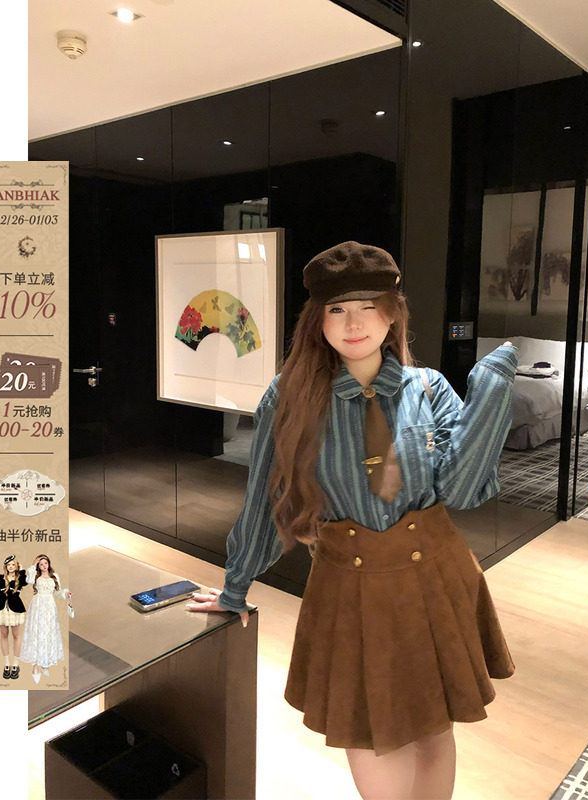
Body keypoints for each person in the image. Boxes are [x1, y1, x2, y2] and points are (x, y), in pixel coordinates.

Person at [187, 241, 518, 799]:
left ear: (393, 313)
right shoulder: (289, 397)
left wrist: (491, 389)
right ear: (318, 321)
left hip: (436, 576)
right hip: (349, 583)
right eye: (337, 309)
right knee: (370, 729)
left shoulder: (428, 387)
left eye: (369, 306)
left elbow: (462, 490)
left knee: (434, 724)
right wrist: (235, 588)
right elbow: (265, 497)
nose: (354, 323)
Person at [19, 553, 71, 684]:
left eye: (45, 563)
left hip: (50, 607)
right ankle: (35, 666)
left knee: (48, 633)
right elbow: (29, 580)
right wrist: (33, 564)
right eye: (41, 564)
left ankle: (45, 664)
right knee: (38, 633)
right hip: (38, 606)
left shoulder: (55, 576)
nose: (43, 566)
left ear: (49, 563)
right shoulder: (35, 576)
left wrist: (66, 594)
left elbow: (57, 592)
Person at [0, 555, 28, 680]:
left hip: (15, 610)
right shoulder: (1, 577)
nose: (11, 567)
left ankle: (16, 665)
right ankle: (7, 664)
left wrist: (21, 570)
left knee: (16, 636)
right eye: (8, 565)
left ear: (17, 566)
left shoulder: (20, 578)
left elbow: (26, 580)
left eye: (13, 564)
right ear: (5, 566)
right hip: (1, 609)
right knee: (3, 635)